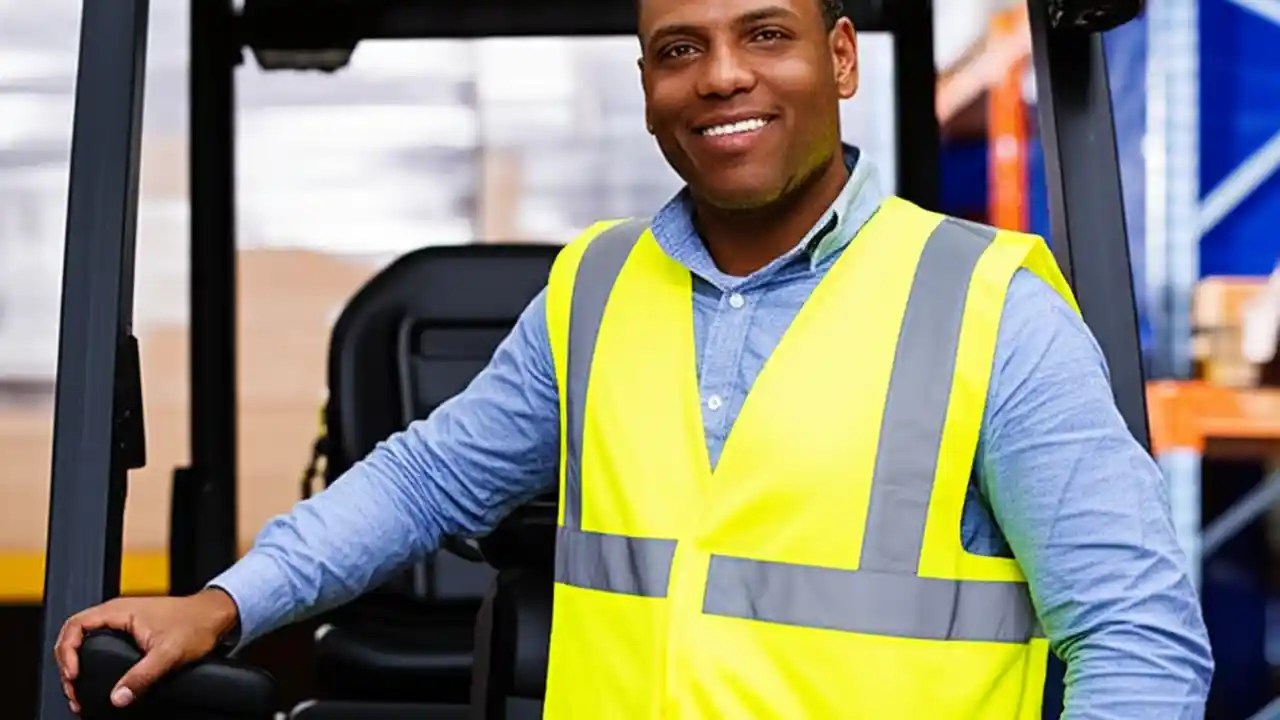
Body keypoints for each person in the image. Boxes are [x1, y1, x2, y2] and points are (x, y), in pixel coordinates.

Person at [56, 0, 1214, 716]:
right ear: (650, 85)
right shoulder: (594, 289)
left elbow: (1132, 637)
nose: (720, 75)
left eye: (764, 33)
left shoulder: (988, 306)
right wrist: (222, 603)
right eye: (679, 49)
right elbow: (427, 480)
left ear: (842, 58)